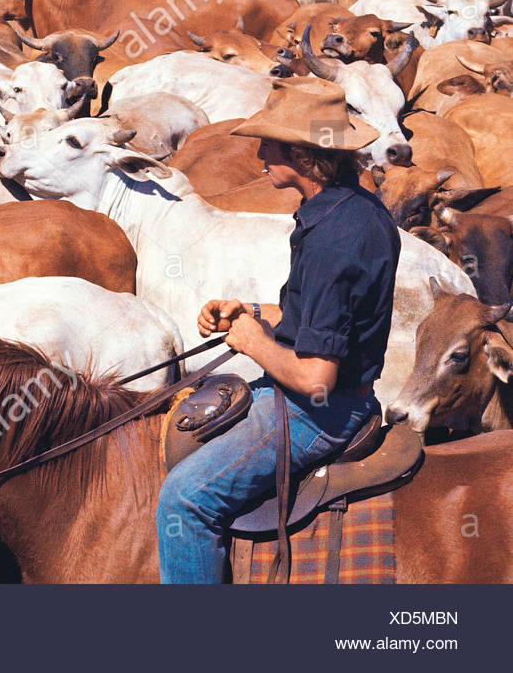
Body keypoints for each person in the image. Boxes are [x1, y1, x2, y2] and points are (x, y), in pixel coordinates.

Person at [156, 78, 401, 583]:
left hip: (319, 412)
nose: (260, 154)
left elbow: (315, 378)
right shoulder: (350, 209)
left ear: (303, 154)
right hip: (322, 394)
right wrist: (249, 311)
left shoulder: (335, 238)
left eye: (270, 143)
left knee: (183, 501)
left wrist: (254, 342)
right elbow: (320, 315)